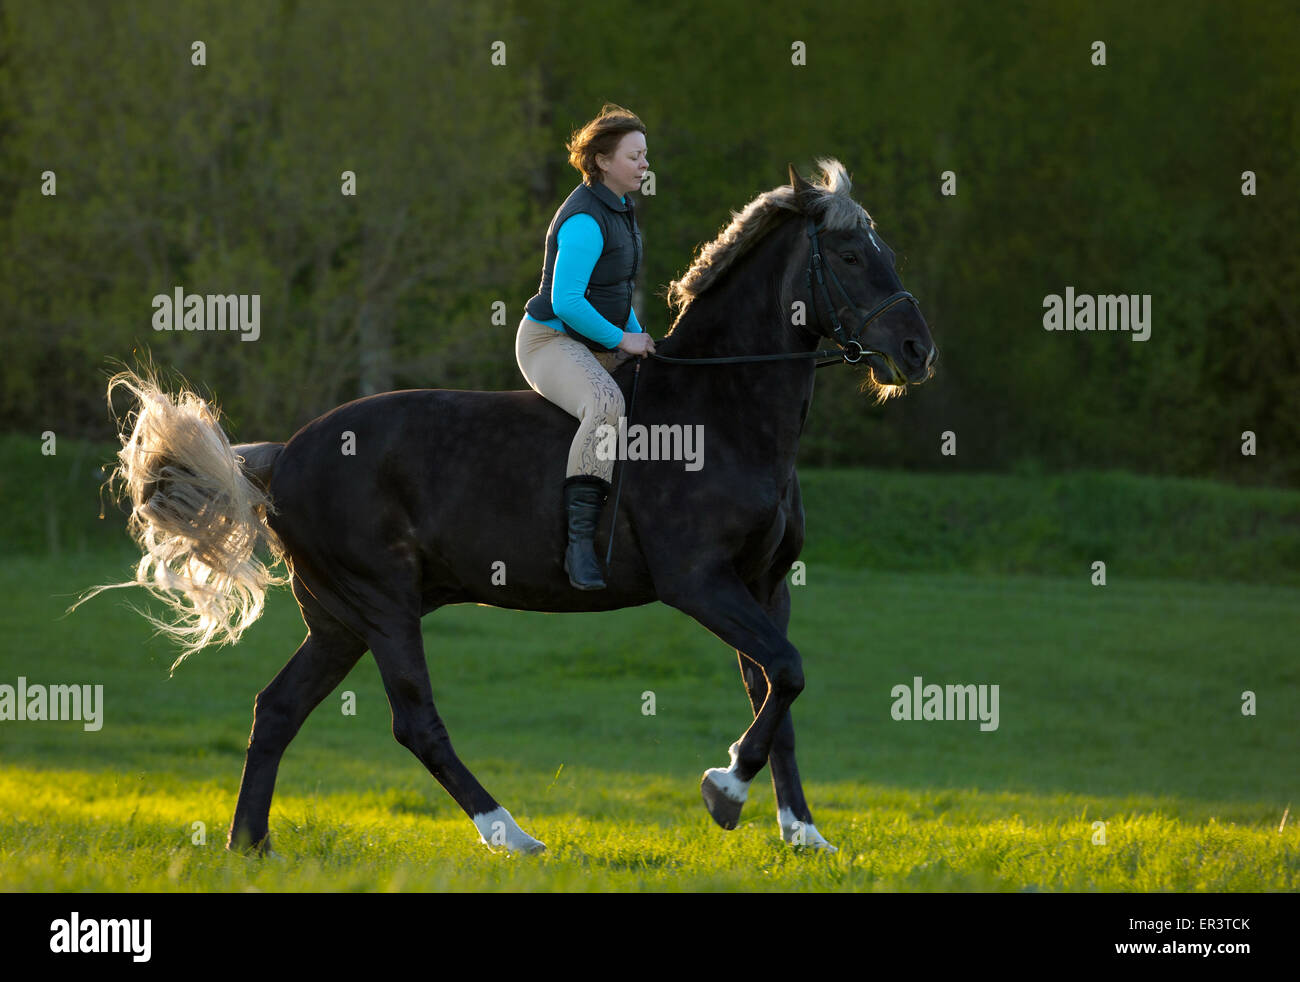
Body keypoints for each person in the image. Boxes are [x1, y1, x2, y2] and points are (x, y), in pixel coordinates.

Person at [517, 104, 656, 590]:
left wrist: (641, 339)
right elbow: (567, 301)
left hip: (596, 340)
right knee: (605, 404)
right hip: (550, 340)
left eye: (645, 156)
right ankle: (578, 547)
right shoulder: (584, 219)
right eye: (635, 157)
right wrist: (623, 340)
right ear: (601, 161)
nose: (644, 165)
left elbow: (616, 294)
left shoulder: (621, 210)